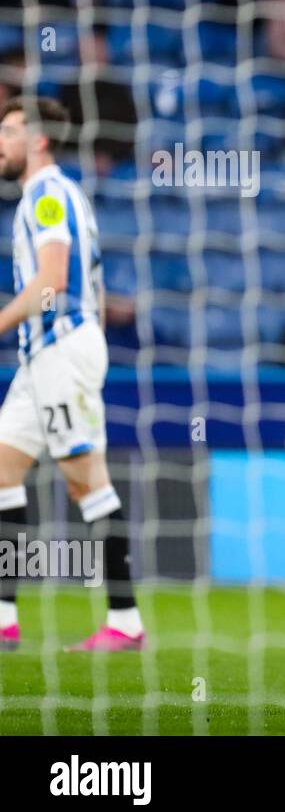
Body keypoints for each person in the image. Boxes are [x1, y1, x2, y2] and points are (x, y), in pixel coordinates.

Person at [0, 96, 144, 653]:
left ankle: (126, 623)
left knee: (88, 482)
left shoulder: (47, 196)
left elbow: (52, 280)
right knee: (3, 473)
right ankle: (5, 618)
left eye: (8, 132)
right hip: (46, 357)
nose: (0, 142)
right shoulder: (63, 195)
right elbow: (96, 287)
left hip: (59, 352)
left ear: (38, 140)